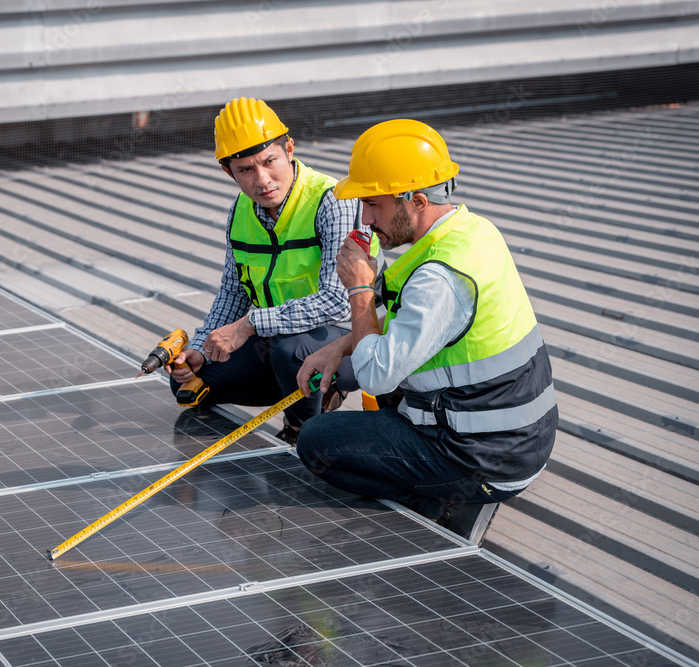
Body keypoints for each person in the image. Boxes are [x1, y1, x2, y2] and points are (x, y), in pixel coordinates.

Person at [294, 119, 558, 544]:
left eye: (374, 204)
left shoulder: (439, 277)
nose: (366, 217)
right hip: (520, 441)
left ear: (415, 200)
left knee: (317, 441)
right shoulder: (471, 232)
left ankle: (449, 502)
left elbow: (377, 374)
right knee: (373, 381)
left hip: (485, 461)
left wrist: (359, 286)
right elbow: (418, 325)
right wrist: (339, 348)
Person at [168, 97, 380, 444]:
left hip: (348, 341)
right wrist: (202, 348)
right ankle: (293, 389)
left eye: (270, 161)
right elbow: (233, 292)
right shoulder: (240, 212)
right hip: (279, 342)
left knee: (290, 350)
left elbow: (339, 302)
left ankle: (304, 429)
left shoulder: (332, 201)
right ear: (228, 171)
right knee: (191, 380)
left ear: (290, 149)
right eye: (245, 170)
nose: (262, 180)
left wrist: (250, 325)